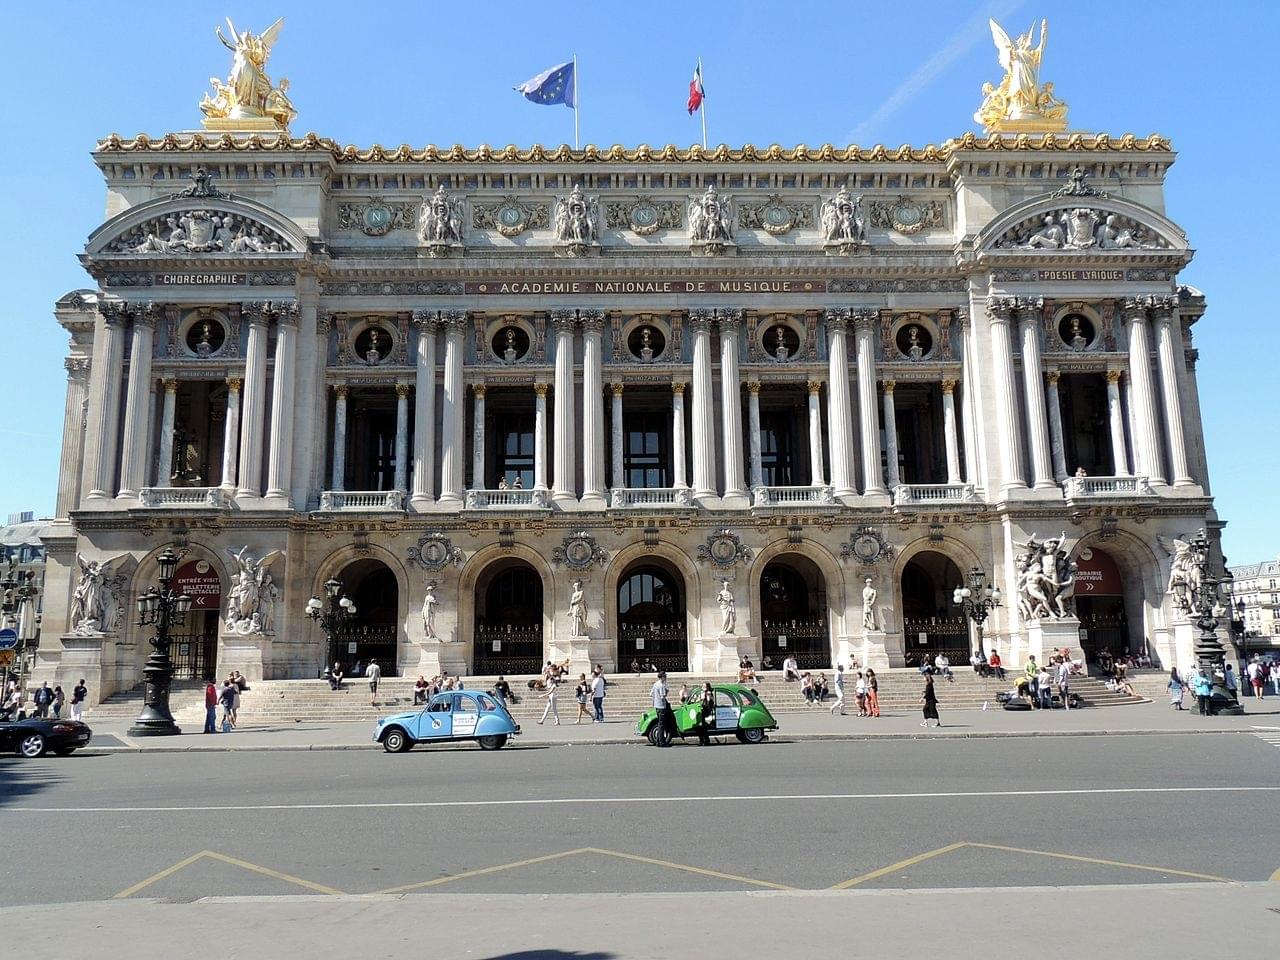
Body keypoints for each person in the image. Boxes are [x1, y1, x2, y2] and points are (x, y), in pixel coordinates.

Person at [651, 671, 675, 746]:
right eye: (665, 676)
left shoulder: (655, 684)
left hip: (656, 706)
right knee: (662, 725)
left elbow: (651, 694)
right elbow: (663, 696)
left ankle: (658, 741)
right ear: (662, 677)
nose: (666, 678)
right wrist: (666, 691)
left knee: (659, 724)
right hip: (662, 706)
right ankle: (662, 742)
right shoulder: (661, 685)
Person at [696, 681, 716, 746]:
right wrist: (699, 698)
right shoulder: (701, 693)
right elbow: (697, 700)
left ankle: (706, 740)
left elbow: (709, 701)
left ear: (707, 687)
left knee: (703, 726)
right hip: (701, 710)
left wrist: (706, 696)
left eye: (705, 686)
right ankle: (701, 740)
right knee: (699, 726)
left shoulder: (709, 693)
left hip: (707, 711)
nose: (703, 687)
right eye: (703, 686)